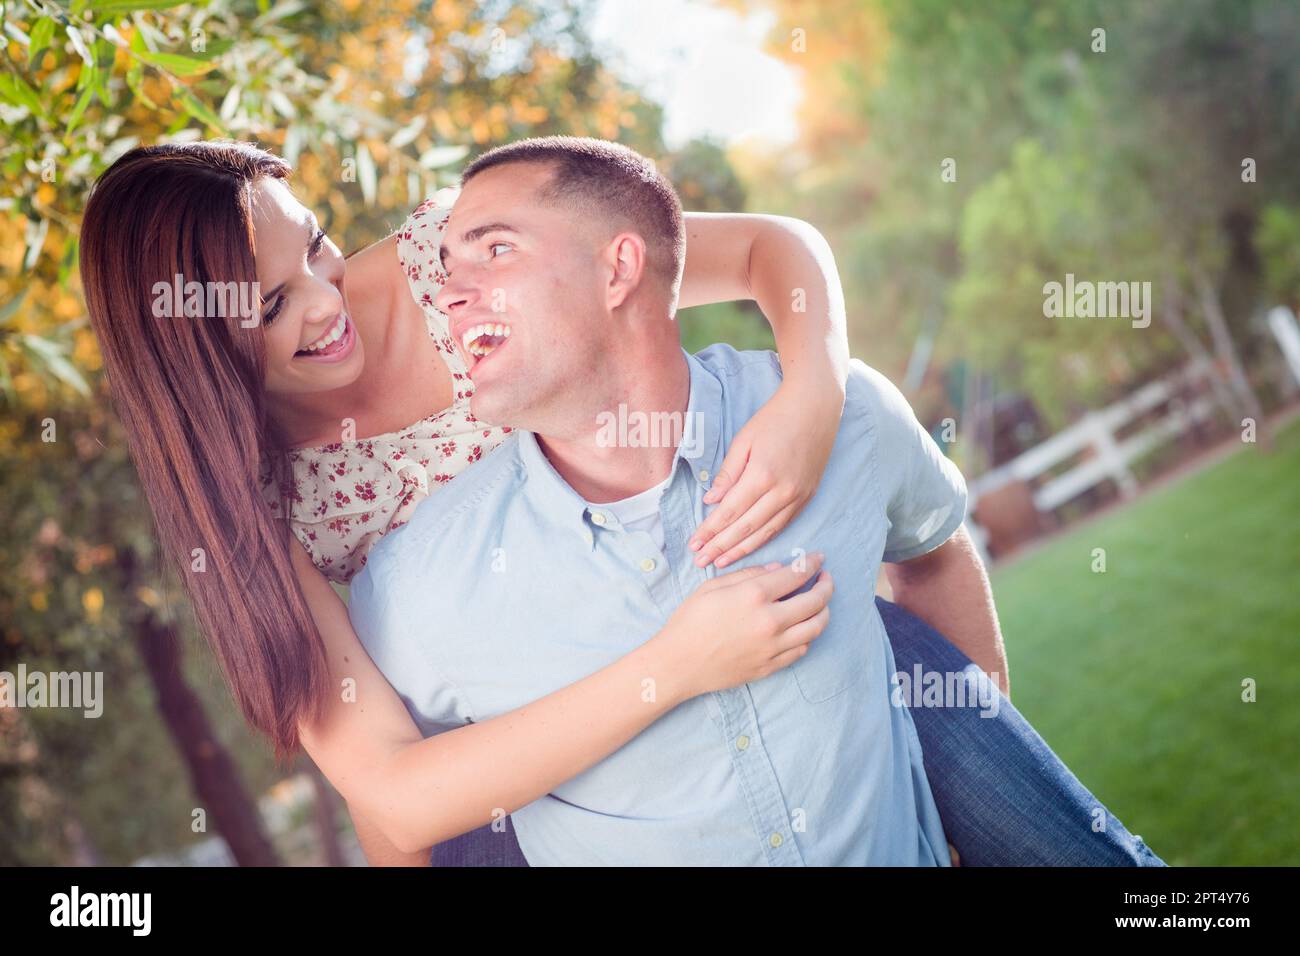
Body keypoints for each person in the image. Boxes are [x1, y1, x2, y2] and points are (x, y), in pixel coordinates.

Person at [348, 137, 1168, 865]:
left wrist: (968, 806)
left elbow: (935, 552)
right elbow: (396, 812)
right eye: (449, 270)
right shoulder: (417, 583)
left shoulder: (848, 418)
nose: (448, 295)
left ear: (618, 268)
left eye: (493, 250)